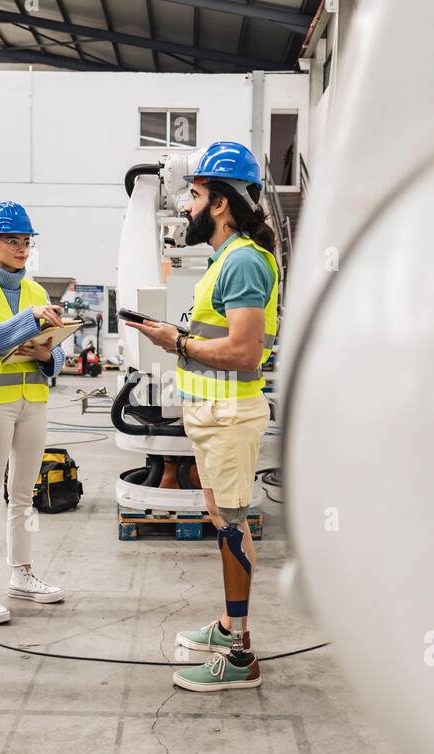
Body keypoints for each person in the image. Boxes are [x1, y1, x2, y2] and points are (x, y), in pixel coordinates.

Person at [125, 141, 279, 692]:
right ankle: (227, 624)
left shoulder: (240, 261)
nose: (187, 206)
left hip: (230, 415)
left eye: (193, 195)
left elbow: (243, 351)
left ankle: (240, 655)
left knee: (232, 526)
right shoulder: (225, 259)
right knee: (224, 522)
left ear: (219, 203)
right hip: (215, 414)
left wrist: (177, 342)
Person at [0, 201, 67, 624]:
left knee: (24, 497)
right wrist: (28, 321)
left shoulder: (38, 293)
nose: (21, 248)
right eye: (12, 241)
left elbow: (56, 356)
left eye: (26, 241)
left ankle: (21, 573)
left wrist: (44, 353)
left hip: (34, 401)